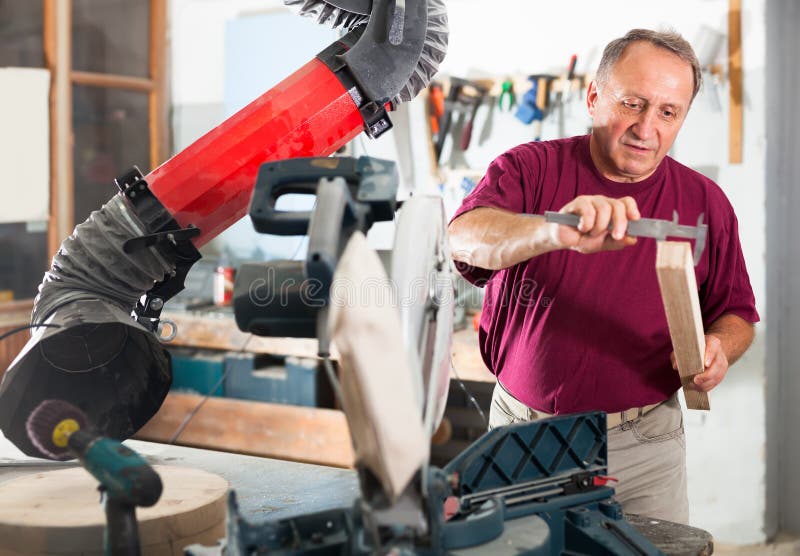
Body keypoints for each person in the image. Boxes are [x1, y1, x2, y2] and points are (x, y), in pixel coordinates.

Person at [447, 29, 759, 524]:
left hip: (645, 447)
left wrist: (721, 347)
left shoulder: (707, 204)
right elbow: (462, 237)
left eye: (667, 112)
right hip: (524, 435)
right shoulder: (528, 169)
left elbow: (737, 314)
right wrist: (554, 229)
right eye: (633, 104)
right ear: (594, 97)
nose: (646, 128)